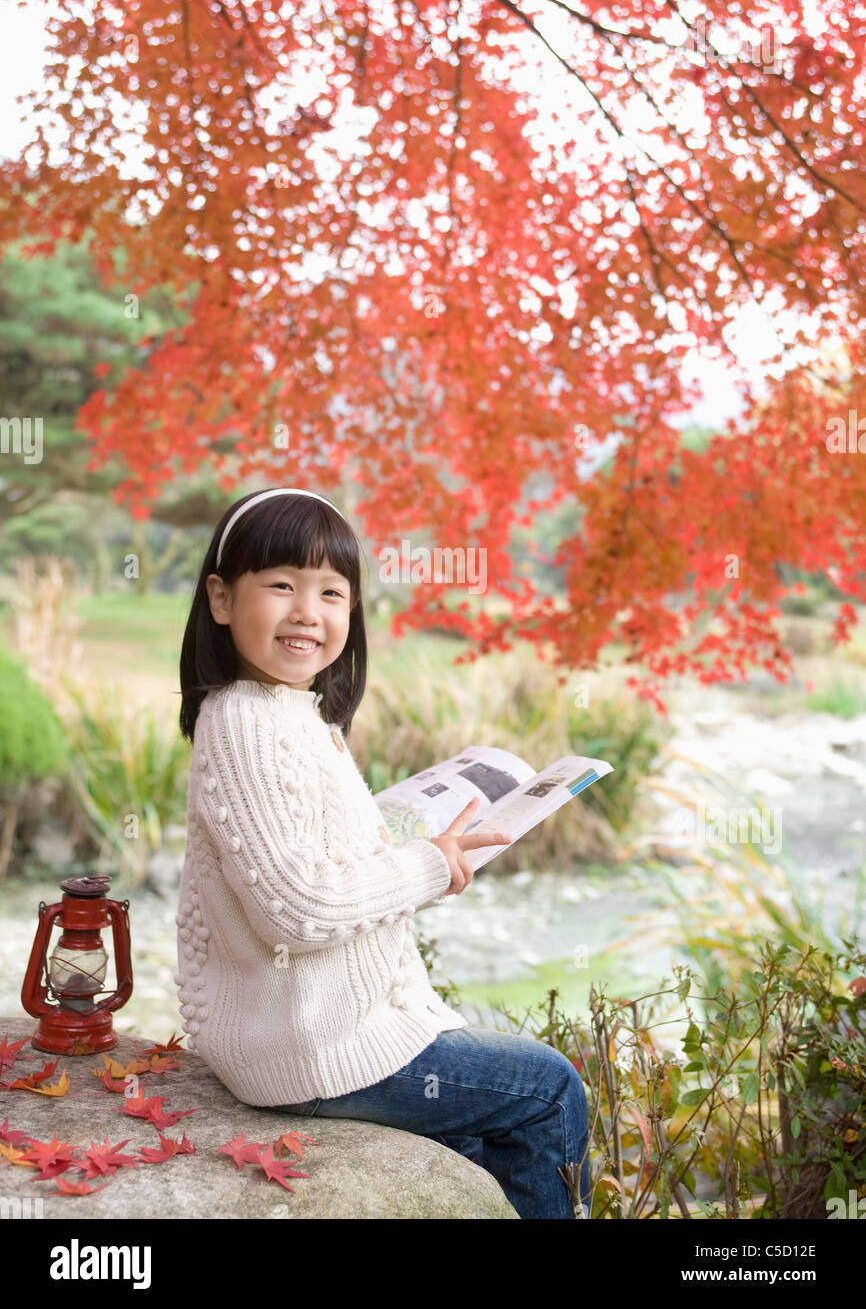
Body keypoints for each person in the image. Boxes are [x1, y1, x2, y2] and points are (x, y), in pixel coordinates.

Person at [176, 486, 591, 1219]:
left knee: (470, 1145)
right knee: (549, 1088)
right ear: (220, 598)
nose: (309, 610)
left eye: (332, 592)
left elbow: (304, 850)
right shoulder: (245, 722)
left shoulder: (293, 716)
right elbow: (298, 909)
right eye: (281, 585)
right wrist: (430, 864)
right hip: (311, 1048)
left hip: (318, 1031)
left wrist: (417, 833)